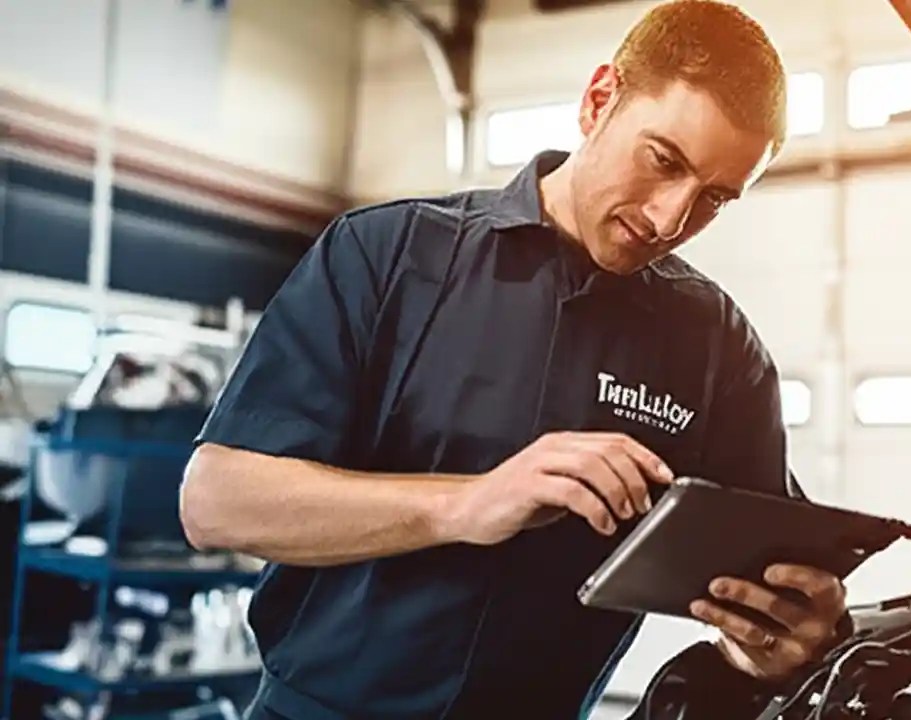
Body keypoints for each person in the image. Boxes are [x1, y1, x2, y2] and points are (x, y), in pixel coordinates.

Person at [179, 1, 852, 718]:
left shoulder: (717, 347)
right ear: (600, 100)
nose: (669, 221)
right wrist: (465, 503)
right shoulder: (389, 257)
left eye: (714, 199)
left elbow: (765, 588)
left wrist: (775, 640)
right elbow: (215, 502)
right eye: (663, 161)